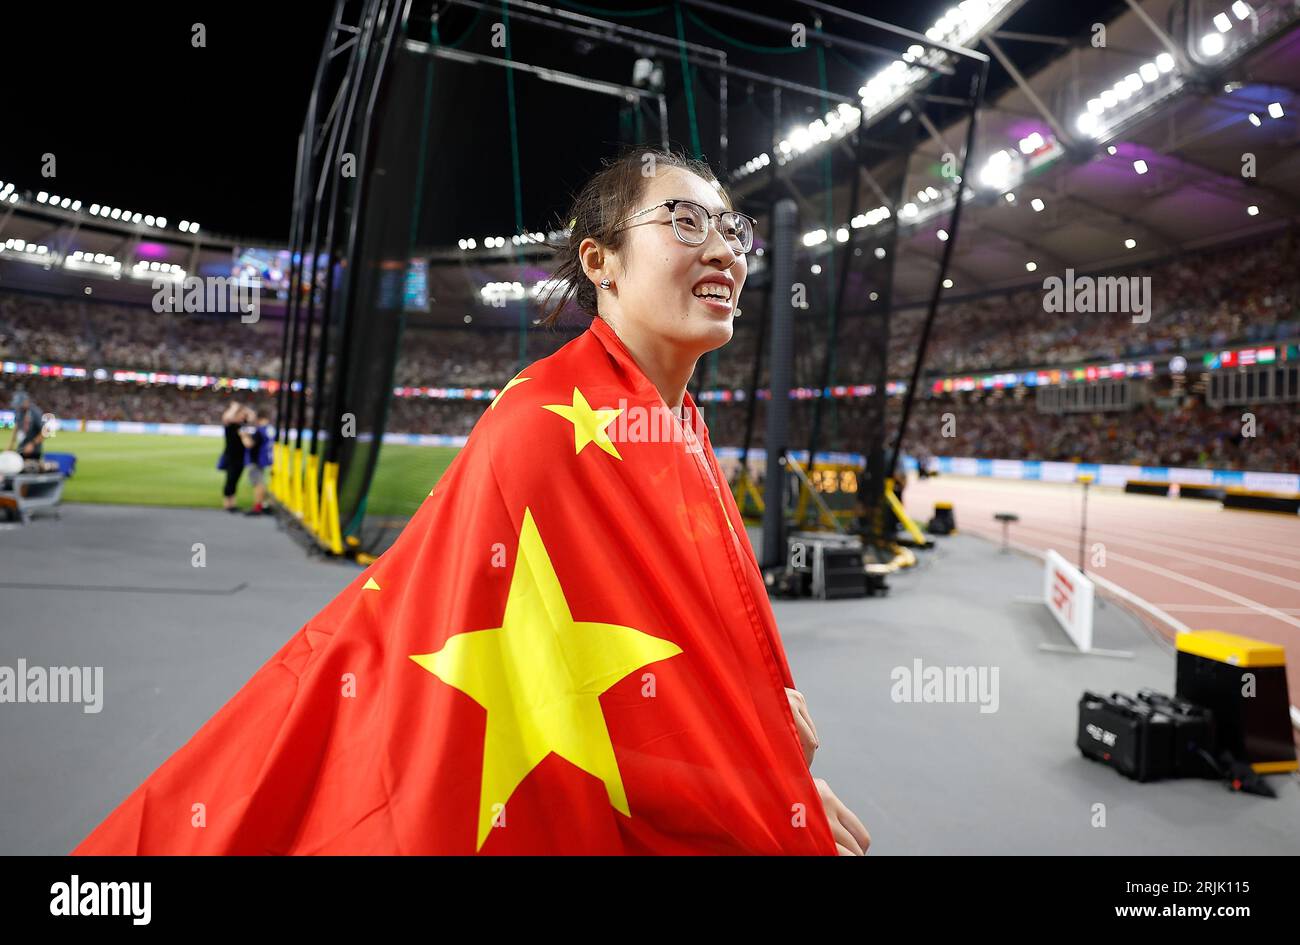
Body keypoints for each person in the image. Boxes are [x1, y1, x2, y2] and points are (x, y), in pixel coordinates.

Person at [73, 148, 869, 856]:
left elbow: (647, 669)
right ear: (602, 261)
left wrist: (758, 763)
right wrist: (746, 781)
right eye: (687, 220)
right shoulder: (543, 425)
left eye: (733, 228)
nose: (724, 246)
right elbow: (524, 702)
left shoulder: (676, 429)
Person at [217, 401, 249, 512]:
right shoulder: (230, 426)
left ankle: (233, 504)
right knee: (230, 480)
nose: (243, 416)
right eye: (240, 414)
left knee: (235, 481)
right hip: (231, 457)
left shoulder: (242, 425)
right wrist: (234, 408)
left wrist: (244, 409)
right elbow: (226, 418)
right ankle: (227, 504)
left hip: (240, 458)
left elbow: (252, 416)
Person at [241, 410, 273, 516]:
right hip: (264, 459)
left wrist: (243, 436)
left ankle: (257, 507)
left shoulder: (259, 431)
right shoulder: (269, 429)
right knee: (261, 483)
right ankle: (264, 505)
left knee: (258, 484)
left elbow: (249, 444)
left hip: (256, 460)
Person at [6, 389, 45, 461]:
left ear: (26, 401)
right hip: (21, 449)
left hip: (34, 451)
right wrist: (10, 446)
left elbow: (45, 431)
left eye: (20, 404)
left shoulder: (35, 412)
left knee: (30, 469)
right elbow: (16, 428)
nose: (18, 406)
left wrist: (32, 444)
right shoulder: (18, 412)